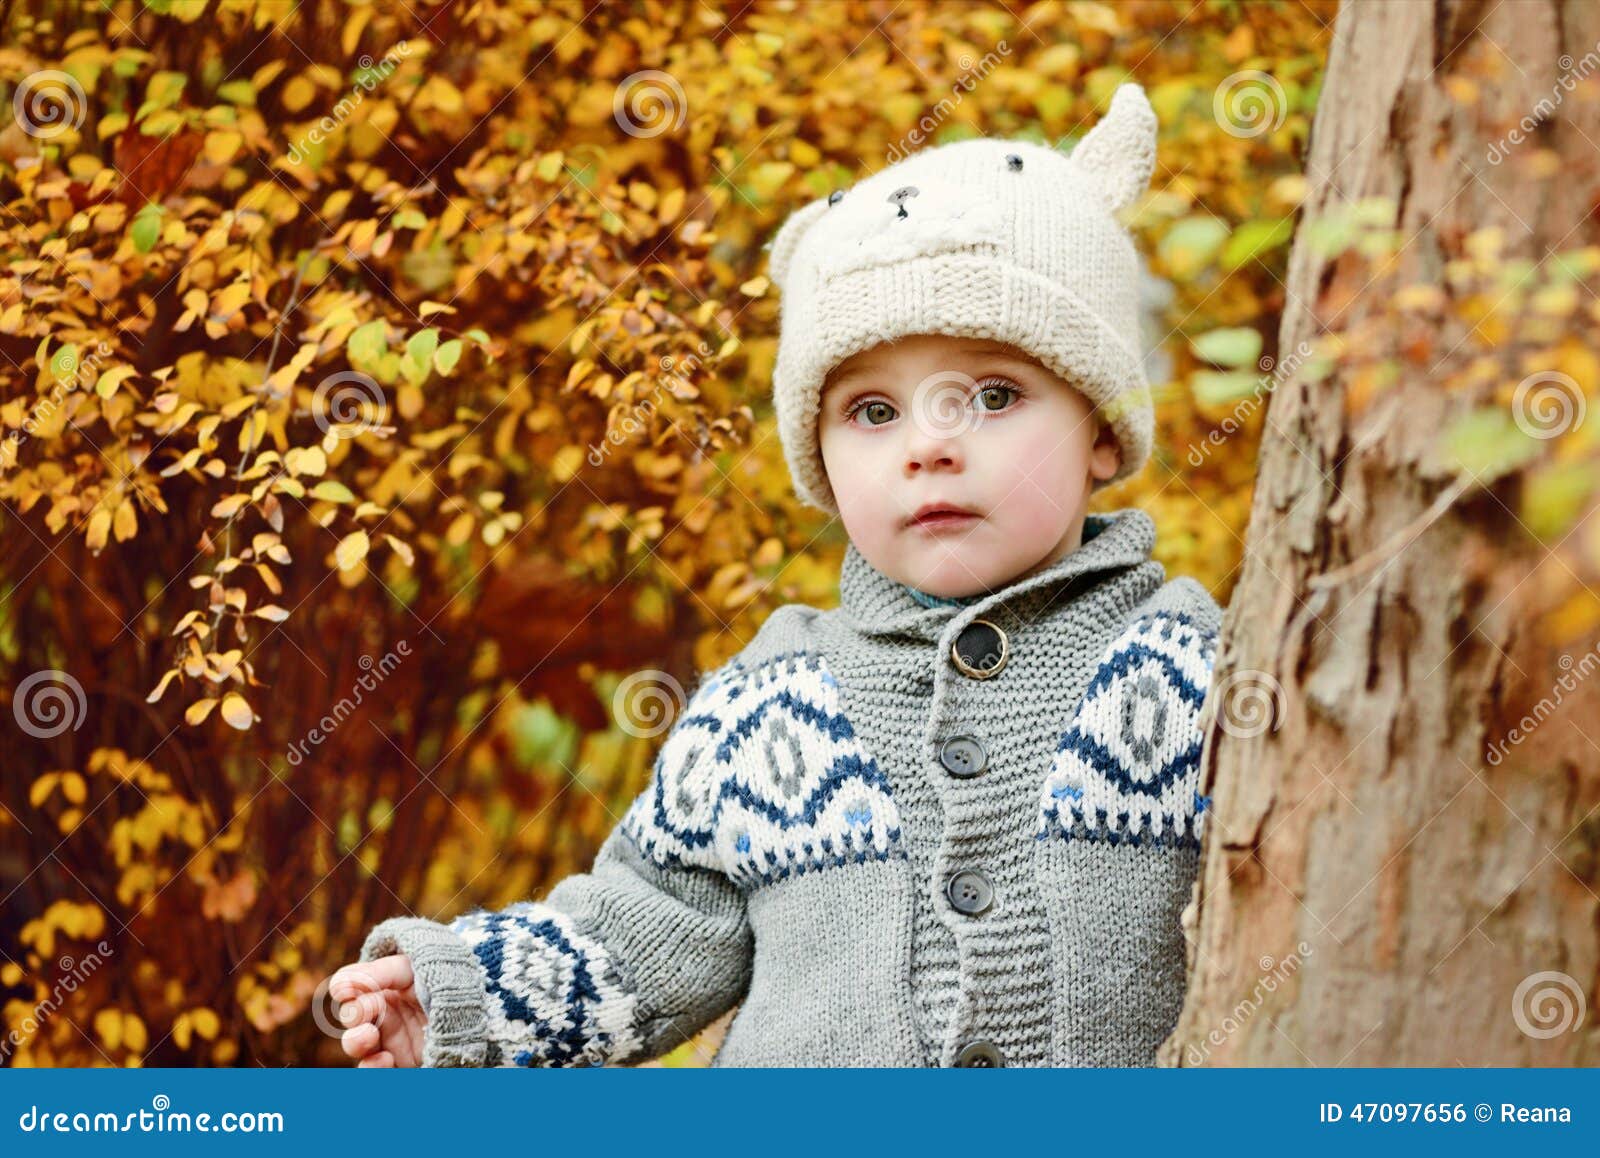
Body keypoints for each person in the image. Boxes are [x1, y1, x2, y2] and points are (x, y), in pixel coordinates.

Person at [330, 81, 1223, 1068]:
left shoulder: (1190, 664)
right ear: (824, 466)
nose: (928, 445)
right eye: (872, 413)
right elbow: (645, 927)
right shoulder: (774, 696)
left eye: (993, 393)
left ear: (1101, 429)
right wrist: (467, 1001)